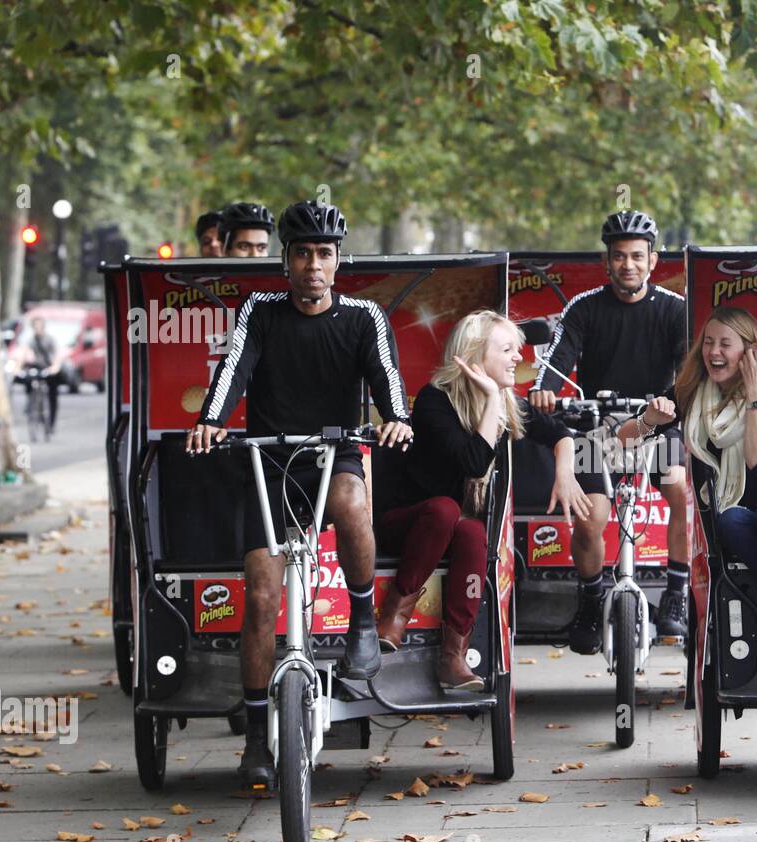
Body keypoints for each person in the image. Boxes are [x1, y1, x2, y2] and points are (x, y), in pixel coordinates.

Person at [185, 200, 412, 790]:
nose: (314, 266)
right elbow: (233, 370)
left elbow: (388, 380)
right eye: (304, 254)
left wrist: (396, 418)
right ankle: (257, 740)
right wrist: (212, 419)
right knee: (261, 598)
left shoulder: (363, 317)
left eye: (325, 255)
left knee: (352, 504)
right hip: (269, 461)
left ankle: (363, 620)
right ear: (286, 261)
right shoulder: (259, 311)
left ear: (339, 263)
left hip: (334, 454)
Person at [377, 310, 588, 689]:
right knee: (445, 508)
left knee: (473, 532)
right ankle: (395, 613)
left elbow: (560, 434)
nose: (517, 359)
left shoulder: (505, 402)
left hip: (455, 529)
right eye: (507, 350)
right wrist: (492, 398)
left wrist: (565, 471)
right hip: (407, 524)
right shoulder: (434, 399)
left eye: (517, 350)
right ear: (475, 357)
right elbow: (474, 462)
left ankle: (453, 656)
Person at [622, 306, 757, 637]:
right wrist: (649, 420)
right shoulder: (692, 392)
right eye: (708, 342)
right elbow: (623, 438)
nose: (714, 352)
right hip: (751, 517)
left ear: (749, 351)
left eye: (725, 343)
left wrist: (754, 396)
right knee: (729, 521)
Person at [529, 210, 689, 653]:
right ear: (607, 262)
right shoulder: (584, 307)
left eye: (638, 256)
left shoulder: (675, 310)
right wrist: (545, 390)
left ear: (653, 261)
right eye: (619, 257)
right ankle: (591, 596)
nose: (628, 265)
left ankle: (675, 594)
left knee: (677, 487)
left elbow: (688, 367)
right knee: (591, 516)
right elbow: (558, 359)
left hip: (655, 423)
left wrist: (668, 400)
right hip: (597, 426)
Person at [15, 317, 67, 435]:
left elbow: (57, 355)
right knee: (27, 379)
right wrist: (17, 368)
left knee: (52, 393)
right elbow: (22, 354)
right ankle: (30, 403)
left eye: (39, 326)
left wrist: (55, 367)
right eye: (35, 326)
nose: (37, 328)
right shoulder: (31, 340)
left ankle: (51, 422)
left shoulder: (50, 340)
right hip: (38, 367)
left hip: (50, 368)